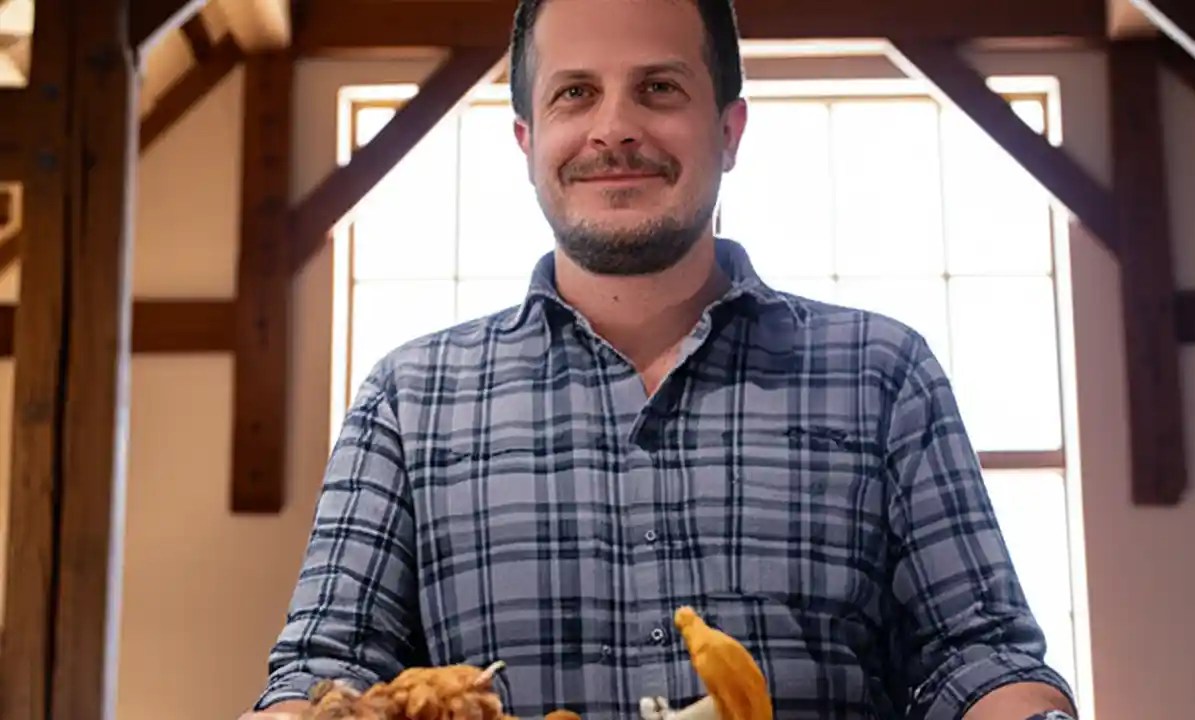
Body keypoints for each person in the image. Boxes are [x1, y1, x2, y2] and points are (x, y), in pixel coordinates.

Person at [243, 0, 1078, 717]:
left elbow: (978, 660)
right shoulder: (405, 399)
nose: (615, 128)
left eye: (659, 88)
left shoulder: (884, 373)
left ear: (729, 129)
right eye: (576, 94)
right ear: (527, 139)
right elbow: (324, 671)